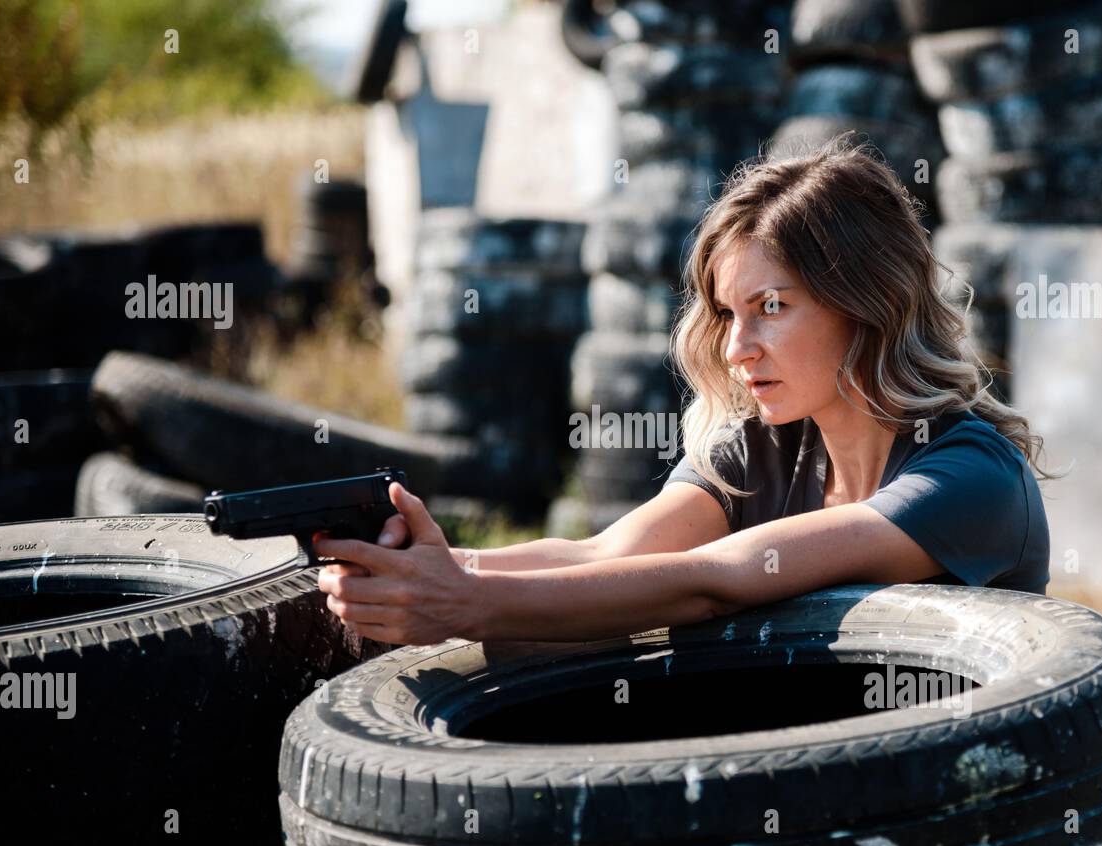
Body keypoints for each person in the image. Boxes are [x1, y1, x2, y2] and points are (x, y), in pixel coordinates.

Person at [315, 134, 1056, 647]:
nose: (736, 349)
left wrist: (463, 602)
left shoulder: (969, 475)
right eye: (729, 314)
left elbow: (717, 581)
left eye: (771, 307)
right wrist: (431, 568)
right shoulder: (761, 452)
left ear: (866, 303)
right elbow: (601, 555)